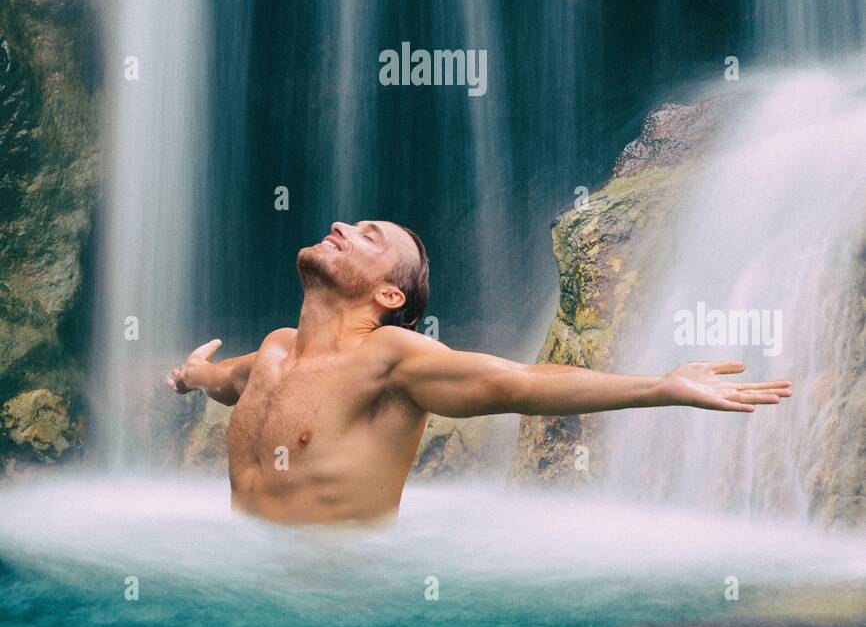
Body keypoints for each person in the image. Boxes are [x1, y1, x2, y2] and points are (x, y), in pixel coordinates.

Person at [166, 220, 792, 525]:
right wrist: (192, 373)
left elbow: (517, 382)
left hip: (335, 613)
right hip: (247, 595)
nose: (341, 227)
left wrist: (662, 385)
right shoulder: (274, 351)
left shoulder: (391, 360)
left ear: (389, 297)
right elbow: (227, 383)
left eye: (367, 236)